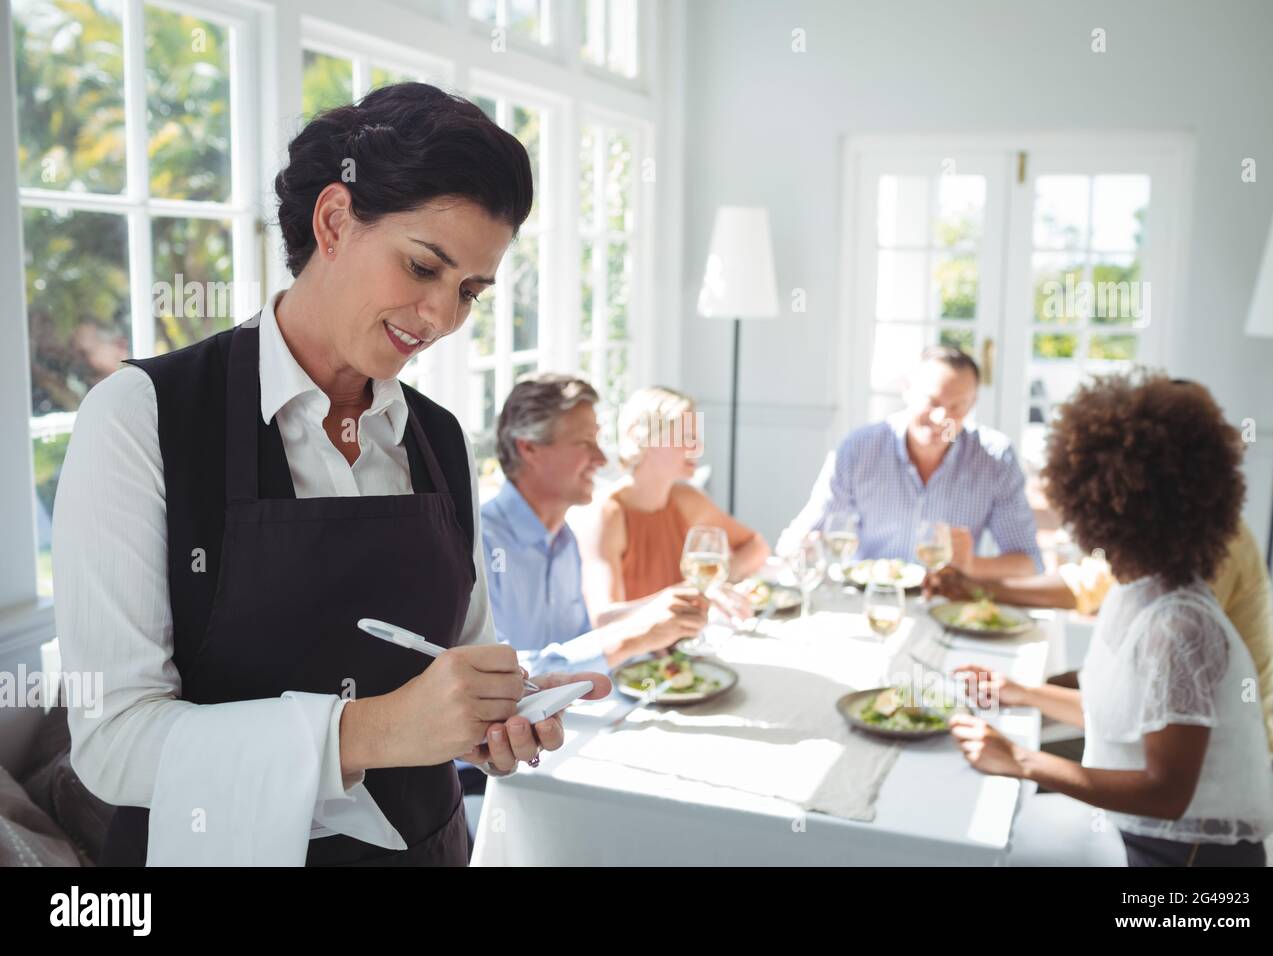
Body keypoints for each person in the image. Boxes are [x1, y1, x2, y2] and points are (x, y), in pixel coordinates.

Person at [54, 83, 608, 867]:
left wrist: (496, 719)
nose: (443, 316)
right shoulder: (141, 418)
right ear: (335, 220)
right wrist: (377, 730)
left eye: (469, 292)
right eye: (424, 266)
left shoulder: (440, 438)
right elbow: (112, 741)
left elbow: (462, 654)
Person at [947, 371, 1273, 866]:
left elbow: (1165, 792)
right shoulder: (1137, 588)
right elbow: (1124, 721)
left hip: (1185, 861)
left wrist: (1020, 760)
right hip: (1138, 833)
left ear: (1104, 505)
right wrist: (1021, 692)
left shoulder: (1180, 627)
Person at [925, 520, 1273, 755]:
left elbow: (1142, 723)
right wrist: (978, 588)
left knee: (995, 750)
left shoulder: (1191, 586)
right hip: (1152, 711)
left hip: (1205, 750)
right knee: (996, 712)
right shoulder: (1162, 536)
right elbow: (1087, 584)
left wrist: (1021, 759)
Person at [481, 374, 712, 674]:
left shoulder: (564, 539)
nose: (601, 458)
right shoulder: (481, 546)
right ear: (529, 448)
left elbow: (581, 639)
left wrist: (662, 609)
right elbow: (499, 677)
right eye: (584, 443)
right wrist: (633, 638)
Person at [778, 346, 1042, 576]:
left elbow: (1030, 563)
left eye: (956, 407)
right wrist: (801, 546)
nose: (941, 418)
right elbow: (796, 540)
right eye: (932, 401)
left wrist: (972, 564)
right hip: (870, 599)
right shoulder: (858, 449)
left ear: (973, 404)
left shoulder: (995, 457)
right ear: (907, 391)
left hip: (948, 602)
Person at [576, 386, 770, 623]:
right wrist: (689, 594)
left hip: (684, 644)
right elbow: (605, 620)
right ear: (643, 438)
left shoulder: (685, 500)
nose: (697, 447)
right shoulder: (606, 514)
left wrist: (714, 585)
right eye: (685, 436)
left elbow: (756, 546)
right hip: (637, 658)